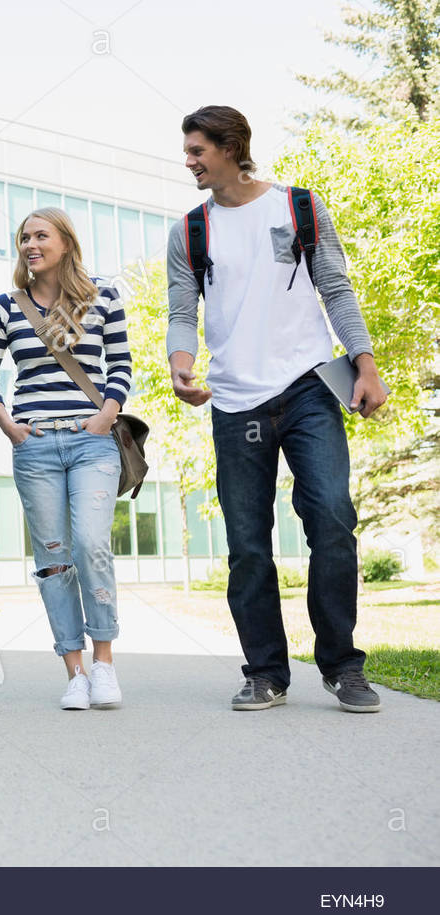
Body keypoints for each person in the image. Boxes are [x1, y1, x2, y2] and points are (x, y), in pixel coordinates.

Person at [166, 105, 388, 713]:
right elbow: (182, 309)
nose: (188, 161)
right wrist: (180, 365)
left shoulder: (298, 207)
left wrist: (364, 364)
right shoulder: (190, 231)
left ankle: (343, 666)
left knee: (333, 521)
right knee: (248, 543)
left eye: (197, 151)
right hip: (237, 401)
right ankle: (266, 671)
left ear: (232, 147)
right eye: (187, 151)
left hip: (309, 385)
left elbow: (335, 287)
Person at [0, 207, 131, 710]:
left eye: (40, 235)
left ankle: (104, 664)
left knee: (90, 542)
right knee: (54, 559)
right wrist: (9, 426)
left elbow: (121, 366)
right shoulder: (7, 306)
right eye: (23, 237)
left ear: (66, 241)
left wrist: (105, 416)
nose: (29, 244)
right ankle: (75, 672)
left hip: (92, 443)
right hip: (35, 446)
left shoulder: (101, 296)